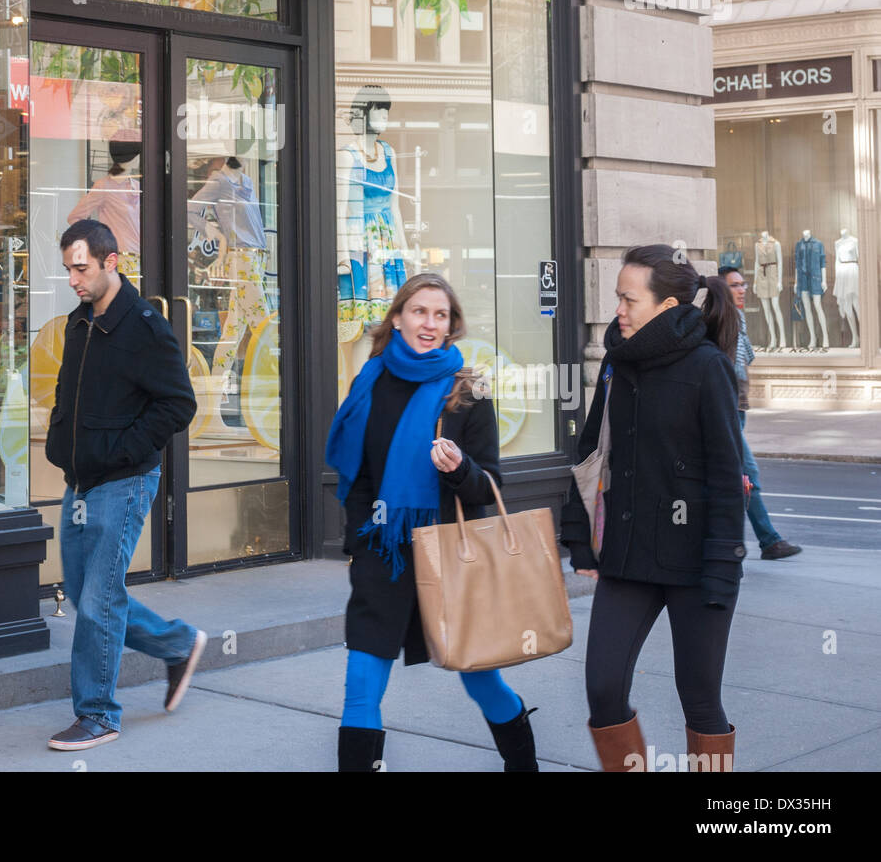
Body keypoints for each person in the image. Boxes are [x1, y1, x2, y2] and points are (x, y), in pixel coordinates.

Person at [325, 272, 539, 773]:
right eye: (419, 311)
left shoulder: (469, 390)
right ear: (397, 317)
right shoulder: (370, 381)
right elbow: (356, 475)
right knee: (362, 681)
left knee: (480, 677)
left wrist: (460, 468)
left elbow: (489, 486)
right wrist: (360, 541)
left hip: (453, 554)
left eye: (440, 315)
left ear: (451, 325)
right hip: (385, 551)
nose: (429, 323)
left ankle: (523, 765)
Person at [561, 245, 746, 772]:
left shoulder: (708, 367)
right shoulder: (618, 363)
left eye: (627, 298)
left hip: (696, 564)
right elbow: (592, 449)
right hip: (628, 555)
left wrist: (722, 567)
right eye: (617, 297)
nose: (617, 309)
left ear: (666, 306)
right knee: (602, 689)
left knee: (701, 700)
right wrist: (580, 538)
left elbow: (726, 478)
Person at [44, 219, 206, 750]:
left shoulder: (144, 326)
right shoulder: (79, 322)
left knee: (96, 601)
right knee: (95, 594)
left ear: (111, 262)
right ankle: (178, 644)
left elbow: (179, 403)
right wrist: (59, 435)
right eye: (68, 268)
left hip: (126, 481)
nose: (73, 279)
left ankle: (98, 714)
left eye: (81, 268)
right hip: (81, 482)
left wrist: (125, 450)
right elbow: (69, 390)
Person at [719, 266, 802, 562]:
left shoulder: (736, 319)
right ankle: (767, 540)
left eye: (743, 284)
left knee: (739, 477)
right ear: (720, 289)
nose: (742, 290)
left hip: (737, 408)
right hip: (728, 410)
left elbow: (747, 357)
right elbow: (729, 366)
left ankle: (739, 541)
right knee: (747, 475)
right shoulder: (723, 321)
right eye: (735, 285)